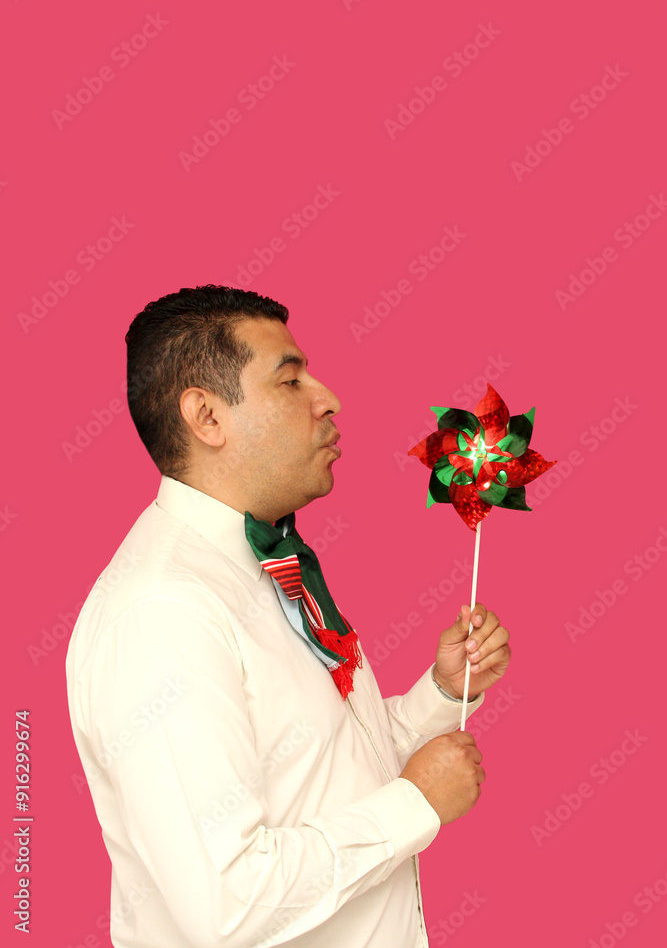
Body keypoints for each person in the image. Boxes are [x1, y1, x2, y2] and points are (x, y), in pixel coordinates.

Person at [66, 285, 511, 948]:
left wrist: (441, 694)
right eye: (290, 378)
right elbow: (229, 906)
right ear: (206, 416)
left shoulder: (267, 563)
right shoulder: (164, 614)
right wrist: (414, 804)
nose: (327, 398)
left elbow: (322, 770)